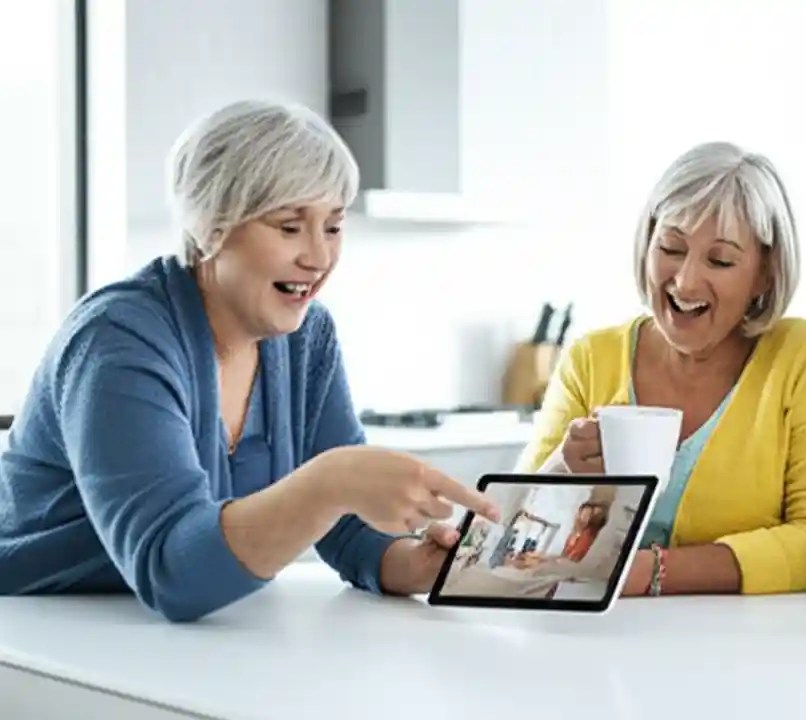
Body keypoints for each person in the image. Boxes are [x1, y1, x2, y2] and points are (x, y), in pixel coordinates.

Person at [0, 100, 499, 622]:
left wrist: (413, 563)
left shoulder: (307, 337)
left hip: (163, 639)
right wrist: (334, 480)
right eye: (289, 226)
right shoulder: (119, 341)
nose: (320, 257)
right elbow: (174, 570)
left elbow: (346, 526)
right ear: (212, 224)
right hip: (32, 634)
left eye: (332, 226)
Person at [516, 142, 806, 597]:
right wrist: (561, 467)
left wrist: (650, 572)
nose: (684, 281)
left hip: (750, 651)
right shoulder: (591, 357)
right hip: (595, 643)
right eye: (671, 248)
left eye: (720, 260)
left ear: (765, 272)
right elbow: (509, 533)